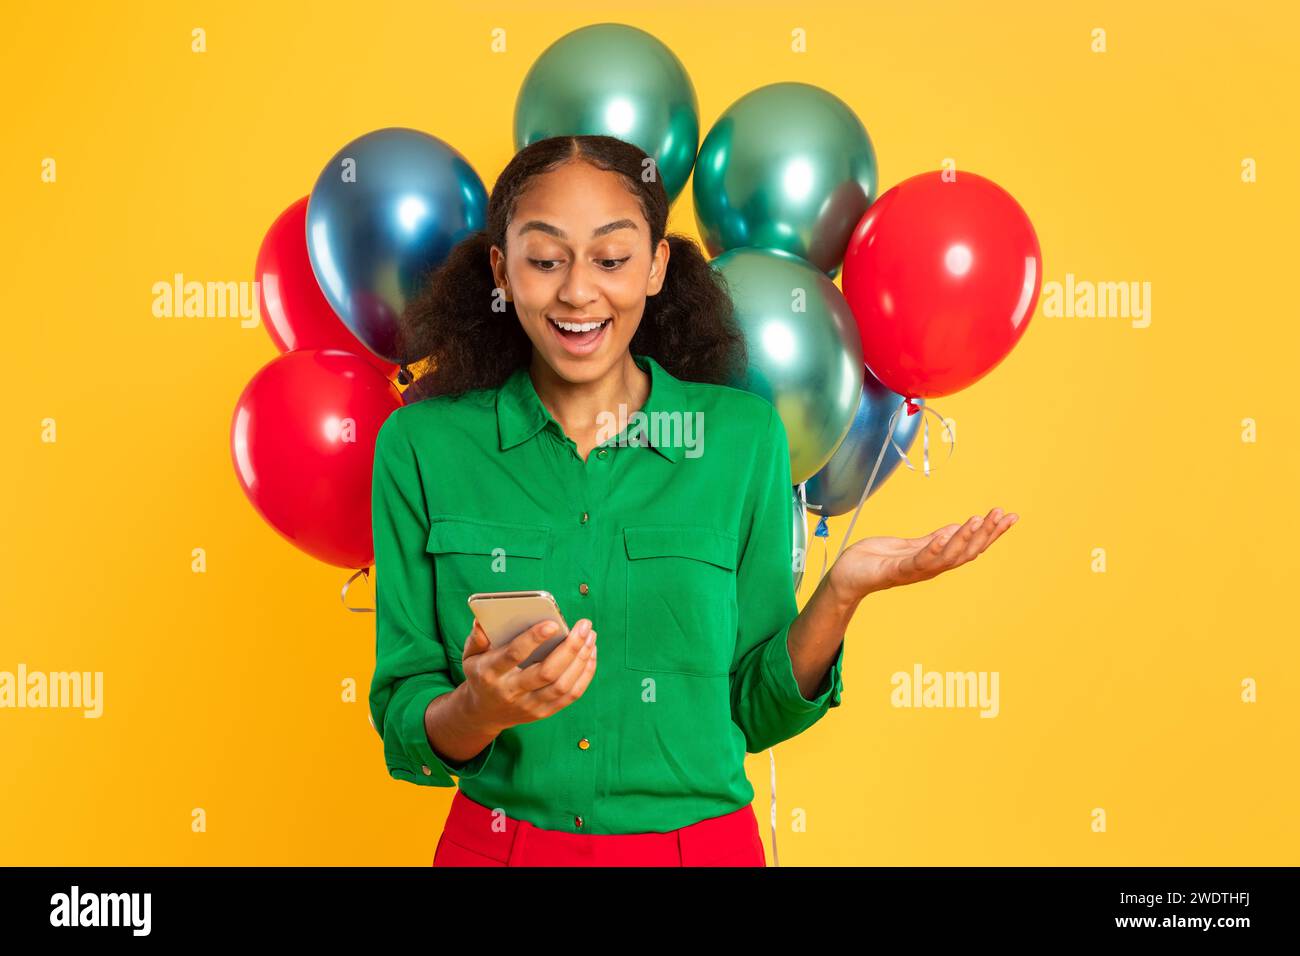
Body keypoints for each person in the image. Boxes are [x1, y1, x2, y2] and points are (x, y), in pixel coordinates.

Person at [368, 134, 1018, 866]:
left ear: (655, 266)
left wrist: (841, 591)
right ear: (501, 268)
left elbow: (749, 708)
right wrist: (476, 710)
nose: (578, 291)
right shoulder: (421, 447)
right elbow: (402, 711)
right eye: (545, 260)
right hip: (501, 846)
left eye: (612, 259)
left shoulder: (740, 441)